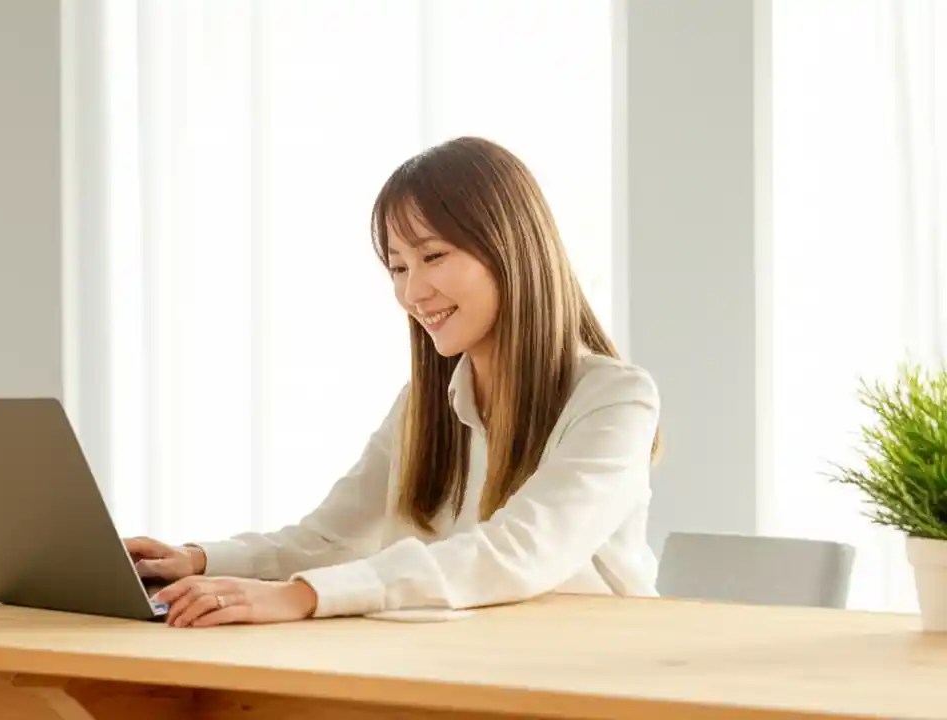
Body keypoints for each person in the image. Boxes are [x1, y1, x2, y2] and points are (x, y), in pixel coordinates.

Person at [126, 136, 662, 628]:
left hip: (594, 672)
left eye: (432, 257)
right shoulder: (423, 405)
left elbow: (520, 551)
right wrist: (196, 561)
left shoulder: (615, 399)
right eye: (398, 268)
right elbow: (332, 537)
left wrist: (301, 596)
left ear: (510, 250)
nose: (413, 294)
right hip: (462, 665)